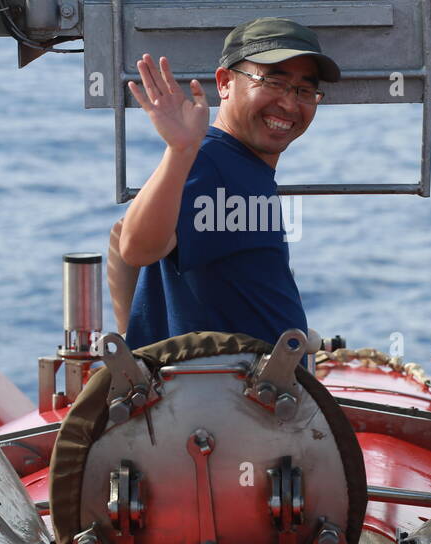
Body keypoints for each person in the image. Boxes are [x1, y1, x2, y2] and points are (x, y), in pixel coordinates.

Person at [106, 18, 340, 349]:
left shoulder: (237, 165)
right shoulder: (210, 162)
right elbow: (135, 247)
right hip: (230, 381)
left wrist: (132, 341)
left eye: (304, 90)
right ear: (225, 82)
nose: (289, 104)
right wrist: (179, 151)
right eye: (273, 82)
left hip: (248, 377)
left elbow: (121, 232)